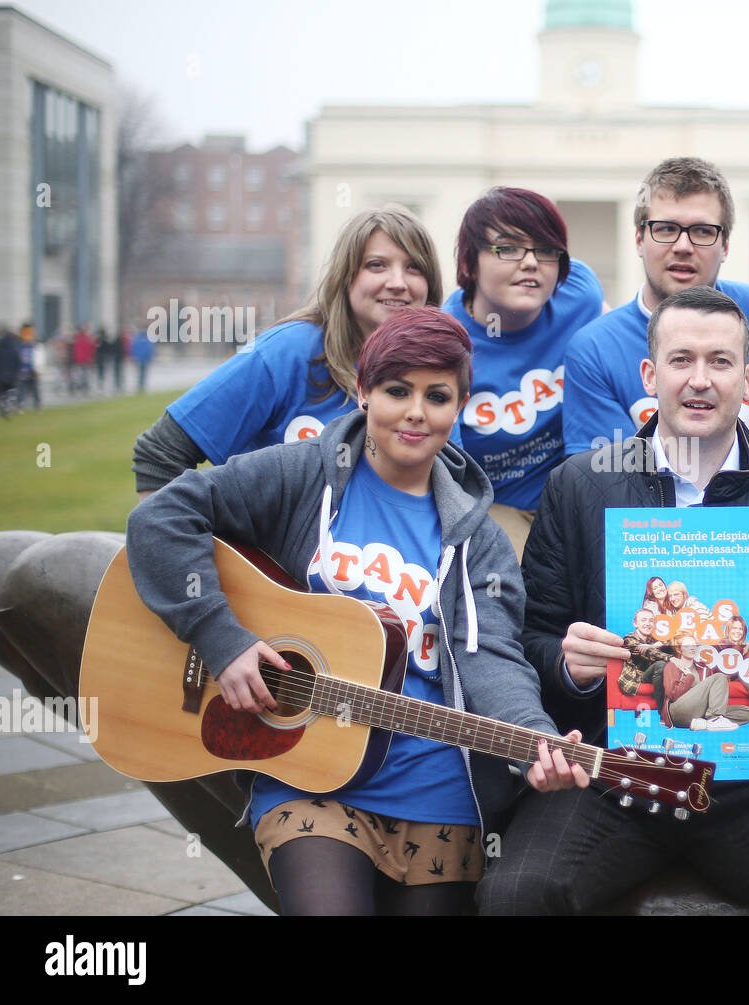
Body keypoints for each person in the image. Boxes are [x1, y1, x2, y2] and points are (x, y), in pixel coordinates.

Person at [127, 307, 587, 915]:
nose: (417, 412)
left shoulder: (482, 540)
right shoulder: (305, 474)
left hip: (438, 792)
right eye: (398, 390)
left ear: (462, 405)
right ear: (364, 392)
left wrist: (535, 742)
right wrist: (222, 637)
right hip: (311, 775)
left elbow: (492, 656)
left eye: (438, 395)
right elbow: (161, 518)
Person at [477, 286, 749, 916]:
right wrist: (566, 664)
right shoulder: (579, 487)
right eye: (681, 359)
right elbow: (530, 640)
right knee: (515, 893)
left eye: (720, 362)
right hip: (613, 771)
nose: (700, 380)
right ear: (649, 374)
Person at [132, 204, 442, 495]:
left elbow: (447, 496)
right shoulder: (288, 352)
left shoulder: (439, 372)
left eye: (414, 268)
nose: (398, 282)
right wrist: (187, 549)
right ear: (346, 277)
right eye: (377, 265)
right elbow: (160, 452)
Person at [563, 157, 749, 461]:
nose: (683, 246)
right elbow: (606, 483)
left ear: (725, 245)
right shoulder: (594, 349)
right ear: (639, 239)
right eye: (665, 229)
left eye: (702, 231)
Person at [442, 187, 604, 558]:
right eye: (508, 248)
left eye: (546, 250)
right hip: (491, 507)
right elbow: (449, 477)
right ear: (470, 263)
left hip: (570, 498)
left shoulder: (580, 294)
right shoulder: (446, 343)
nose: (531, 262)